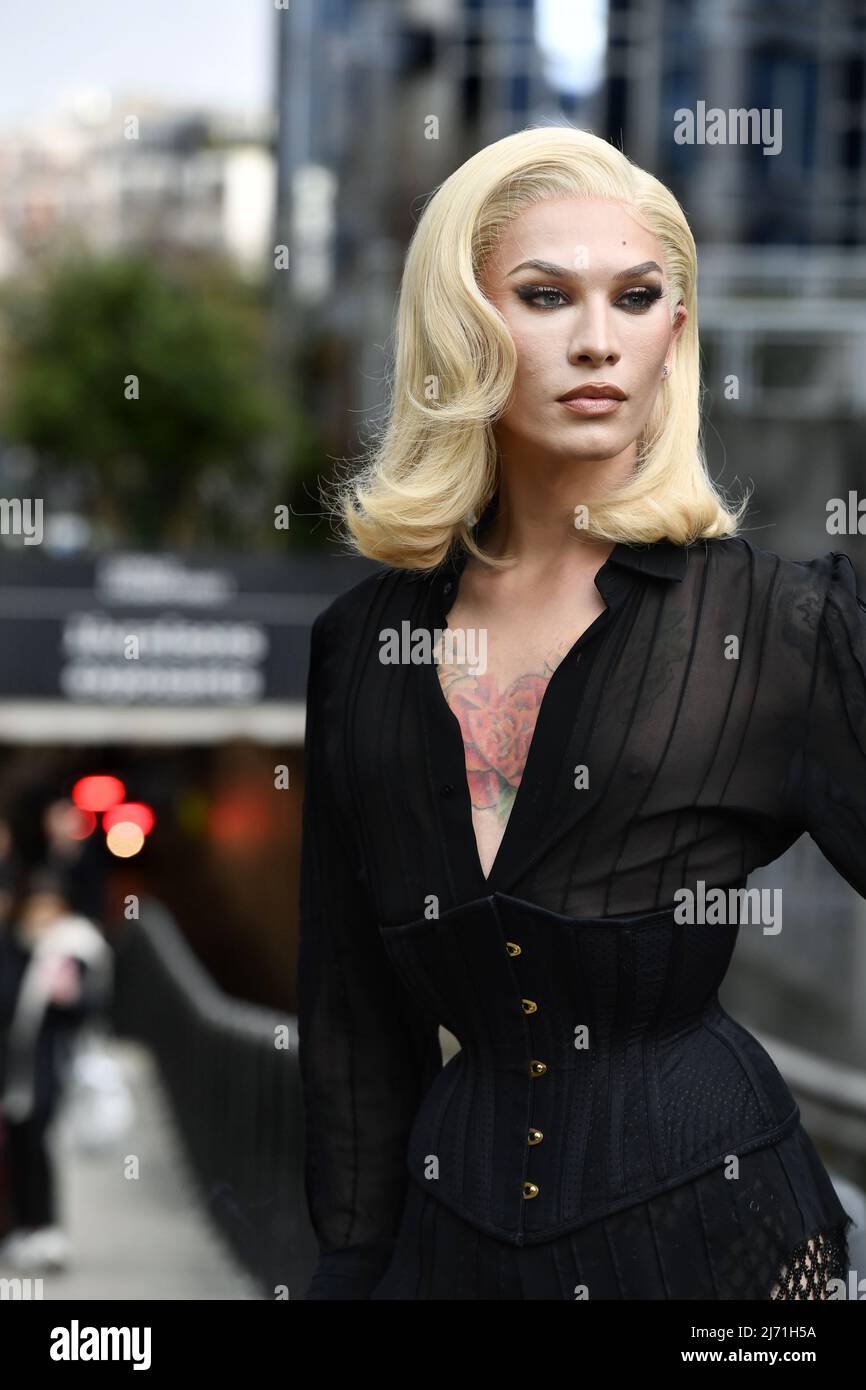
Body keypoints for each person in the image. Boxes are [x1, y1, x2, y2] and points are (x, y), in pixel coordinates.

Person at [297, 125, 863, 1300]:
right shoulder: (359, 646)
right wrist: (350, 1271)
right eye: (545, 295)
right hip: (446, 1253)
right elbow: (353, 1021)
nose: (597, 339)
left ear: (672, 334)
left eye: (637, 295)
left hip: (731, 1258)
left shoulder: (774, 625)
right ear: (461, 330)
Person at [0, 867, 112, 1271]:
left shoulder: (68, 948)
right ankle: (20, 1227)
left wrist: (67, 996)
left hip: (47, 1066)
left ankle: (45, 1228)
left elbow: (85, 1009)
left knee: (37, 1144)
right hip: (13, 1068)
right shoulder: (14, 947)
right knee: (16, 1147)